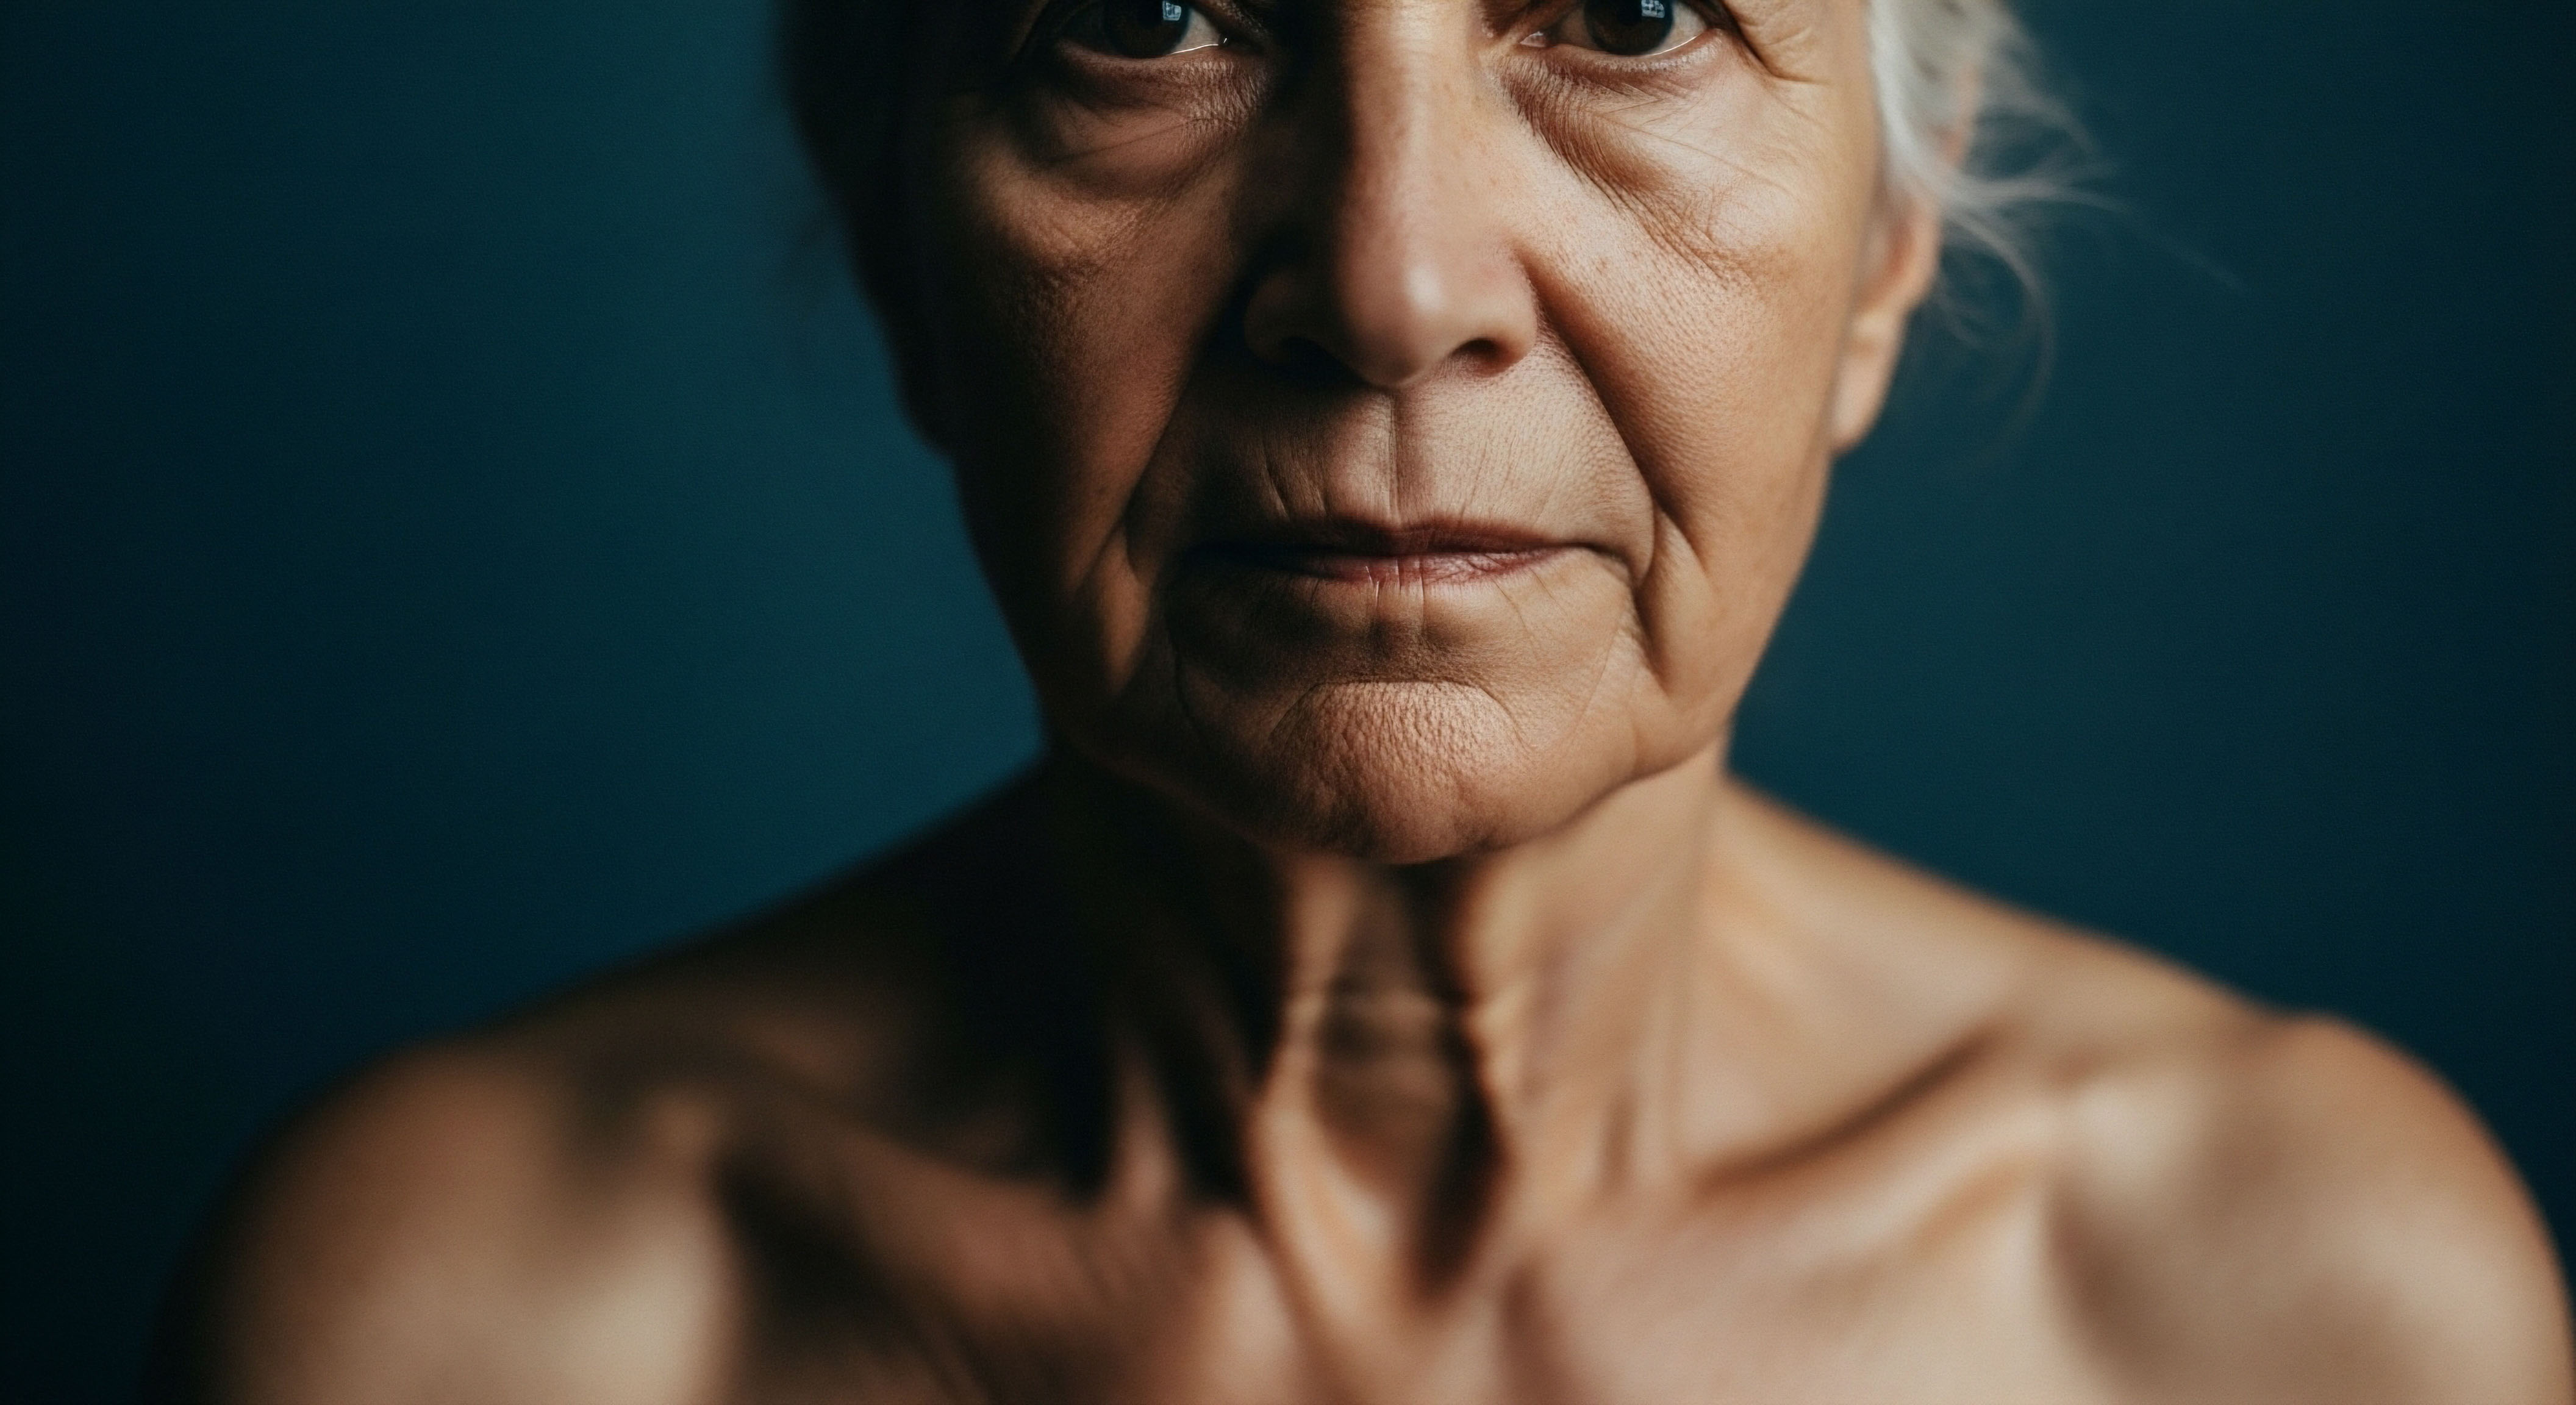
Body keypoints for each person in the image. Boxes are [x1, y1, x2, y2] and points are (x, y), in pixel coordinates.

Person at [159, 0, 2572, 1398]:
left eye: (1629, 9)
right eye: (1148, 13)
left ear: (1882, 261)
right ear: (903, 249)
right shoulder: (474, 1318)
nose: (1397, 278)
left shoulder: (2279, 1305)